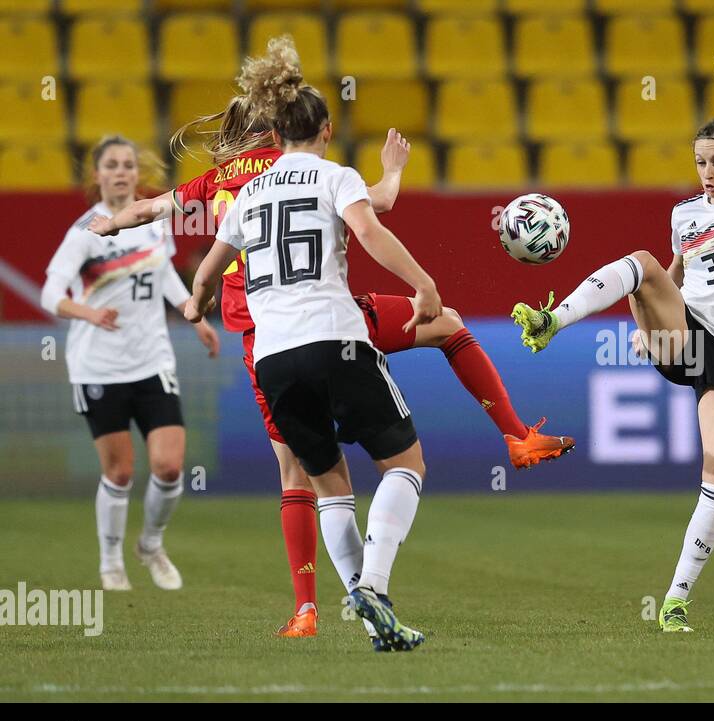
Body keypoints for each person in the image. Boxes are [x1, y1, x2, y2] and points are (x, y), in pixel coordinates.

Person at [91, 36, 573, 639]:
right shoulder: (324, 172)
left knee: (310, 481)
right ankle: (514, 437)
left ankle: (310, 610)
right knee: (442, 338)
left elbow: (164, 229)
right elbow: (378, 213)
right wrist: (395, 177)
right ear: (312, 127)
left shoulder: (224, 188)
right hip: (337, 322)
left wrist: (119, 234)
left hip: (266, 349)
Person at [511, 47, 714, 632]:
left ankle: (674, 601)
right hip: (686, 338)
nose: (708, 172)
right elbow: (674, 272)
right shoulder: (684, 214)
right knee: (644, 263)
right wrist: (649, 319)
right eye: (700, 162)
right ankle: (552, 321)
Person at [186, 55, 437, 652]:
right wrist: (424, 284)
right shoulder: (336, 176)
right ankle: (373, 584)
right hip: (335, 340)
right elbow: (372, 233)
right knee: (406, 465)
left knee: (329, 485)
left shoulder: (247, 194)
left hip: (273, 359)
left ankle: (369, 611)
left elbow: (207, 272)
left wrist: (196, 305)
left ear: (276, 133)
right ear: (325, 130)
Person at [40, 135, 221, 591]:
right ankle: (109, 562)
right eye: (111, 165)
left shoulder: (153, 220)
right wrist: (90, 313)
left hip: (152, 360)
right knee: (119, 472)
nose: (120, 172)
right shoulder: (85, 232)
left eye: (127, 165)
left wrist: (191, 312)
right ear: (97, 175)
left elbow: (161, 273)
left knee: (169, 467)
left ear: (136, 173)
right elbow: (50, 295)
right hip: (97, 366)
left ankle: (151, 544)